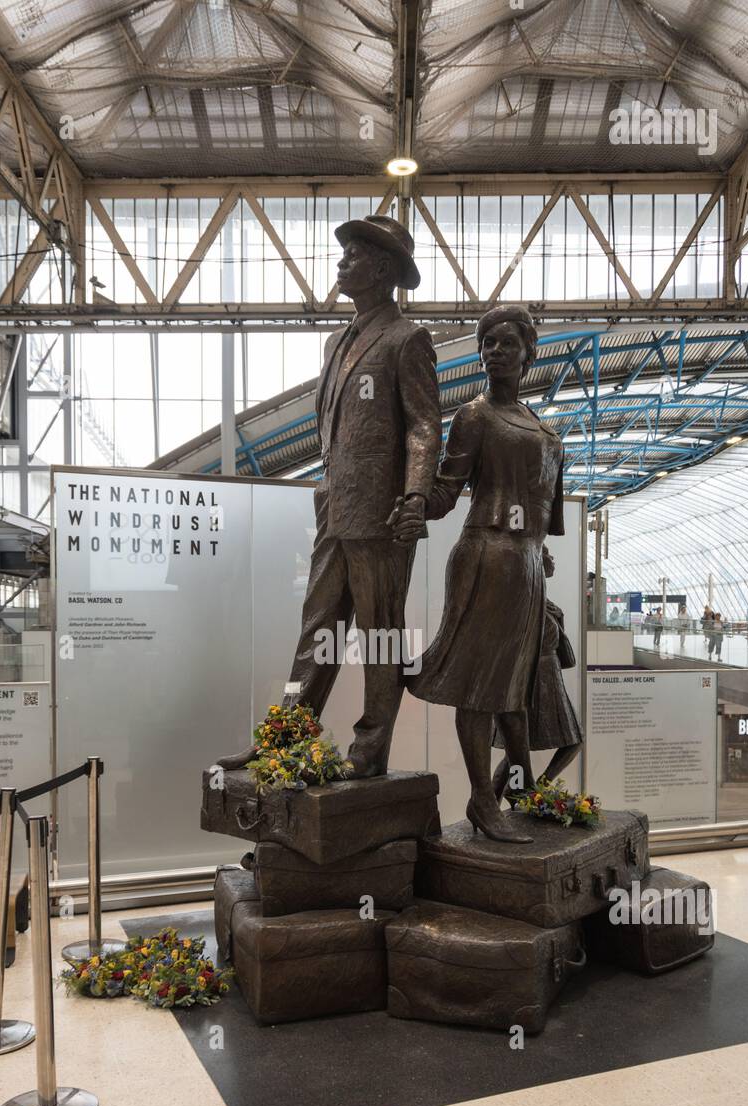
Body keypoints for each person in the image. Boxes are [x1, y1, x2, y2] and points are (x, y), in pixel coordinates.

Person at [217, 214, 441, 777]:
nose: (341, 263)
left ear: (385, 268)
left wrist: (415, 496)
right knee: (316, 629)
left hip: (384, 515)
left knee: (381, 635)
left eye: (355, 255)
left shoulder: (407, 339)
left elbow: (423, 425)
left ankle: (370, 752)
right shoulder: (336, 342)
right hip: (335, 510)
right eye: (342, 255)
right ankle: (286, 735)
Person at [395, 304, 564, 842]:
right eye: (487, 342)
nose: (494, 350)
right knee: (478, 686)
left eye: (506, 342)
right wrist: (415, 504)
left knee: (513, 690)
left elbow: (543, 518)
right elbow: (448, 489)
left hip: (527, 567)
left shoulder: (548, 433)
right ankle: (481, 802)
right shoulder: (474, 416)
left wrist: (540, 558)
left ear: (528, 353)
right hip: (486, 557)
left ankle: (521, 789)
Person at [491, 545, 583, 802]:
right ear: (534, 562)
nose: (552, 559)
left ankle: (503, 794)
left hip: (549, 677)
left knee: (518, 749)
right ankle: (511, 794)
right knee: (521, 746)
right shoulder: (522, 598)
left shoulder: (540, 596)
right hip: (533, 679)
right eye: (547, 555)